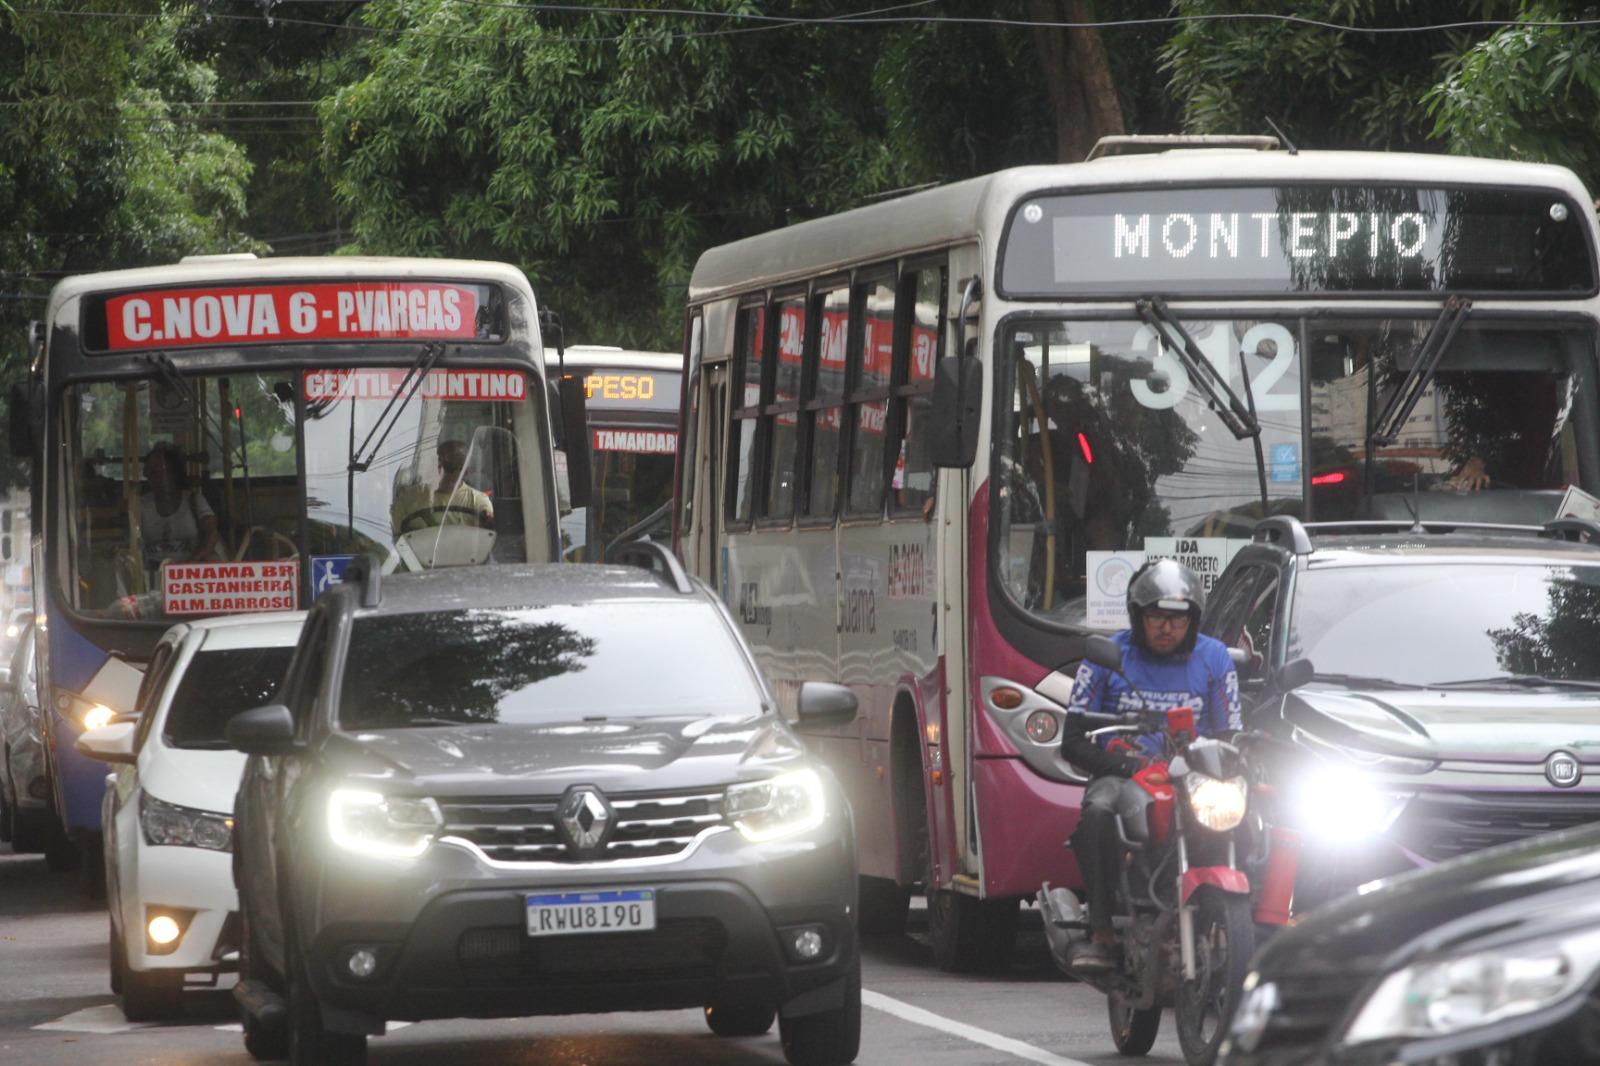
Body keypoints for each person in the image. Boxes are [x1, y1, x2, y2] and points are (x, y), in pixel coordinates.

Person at [1058, 558, 1240, 974]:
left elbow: (1230, 735)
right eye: (1156, 617)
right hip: (1123, 777)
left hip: (1195, 780)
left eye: (1178, 619)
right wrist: (1125, 764)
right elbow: (1072, 742)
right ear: (1137, 617)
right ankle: (1101, 932)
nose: (1166, 628)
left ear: (1193, 621)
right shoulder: (1106, 658)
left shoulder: (1215, 659)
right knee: (1099, 811)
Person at [140, 442, 219, 575]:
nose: (157, 477)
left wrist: (190, 564)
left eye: (162, 471)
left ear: (174, 473)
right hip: (151, 570)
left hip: (192, 569)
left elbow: (211, 533)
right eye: (151, 472)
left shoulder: (194, 500)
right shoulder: (141, 505)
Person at [391, 437, 494, 533]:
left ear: (465, 472)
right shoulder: (409, 498)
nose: (441, 470)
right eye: (438, 463)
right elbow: (395, 536)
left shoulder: (477, 501)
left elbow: (486, 537)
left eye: (450, 467)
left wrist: (488, 521)